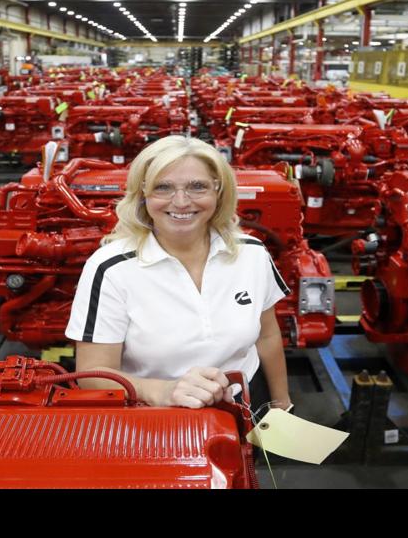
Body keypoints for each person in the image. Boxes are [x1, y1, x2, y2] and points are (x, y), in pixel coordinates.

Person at [66, 135, 293, 413]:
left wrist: (281, 405)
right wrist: (161, 391)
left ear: (219, 191)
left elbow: (267, 337)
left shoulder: (251, 253)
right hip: (156, 412)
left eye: (198, 187)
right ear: (143, 194)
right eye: (163, 187)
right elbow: (93, 374)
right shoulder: (110, 268)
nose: (182, 201)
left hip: (246, 402)